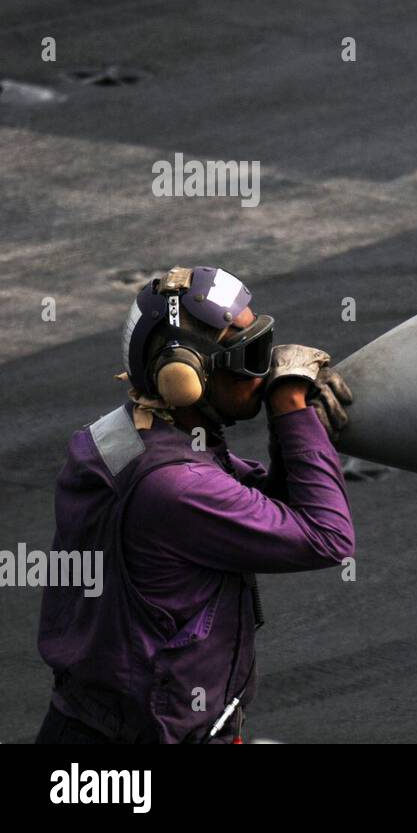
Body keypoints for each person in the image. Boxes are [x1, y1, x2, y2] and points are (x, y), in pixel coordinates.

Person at [35, 265, 355, 743]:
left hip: (94, 724)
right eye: (251, 355)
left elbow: (254, 501)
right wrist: (290, 407)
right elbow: (327, 539)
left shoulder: (128, 434)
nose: (264, 371)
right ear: (186, 379)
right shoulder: (175, 487)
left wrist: (296, 424)